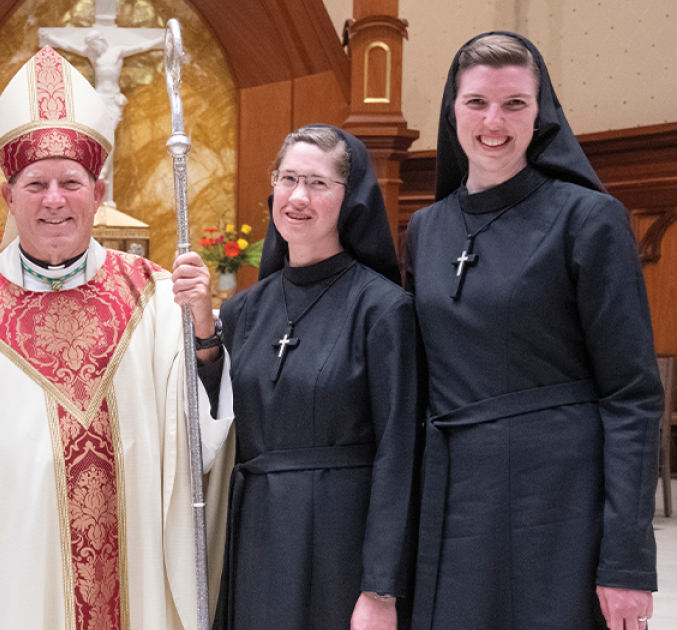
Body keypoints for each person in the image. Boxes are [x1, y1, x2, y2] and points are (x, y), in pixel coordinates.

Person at [0, 46, 235, 630]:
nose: (54, 199)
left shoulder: (151, 294)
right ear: (8, 196)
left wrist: (200, 328)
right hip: (0, 566)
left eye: (71, 182)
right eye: (37, 183)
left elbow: (195, 432)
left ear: (98, 195)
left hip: (132, 562)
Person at [405, 32, 662, 630]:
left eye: (515, 103)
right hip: (455, 496)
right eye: (476, 103)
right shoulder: (425, 228)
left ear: (541, 114)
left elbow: (632, 396)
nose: (494, 121)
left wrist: (626, 560)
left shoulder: (588, 218)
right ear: (452, 111)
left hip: (558, 502)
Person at [208, 125, 420, 630]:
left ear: (351, 198)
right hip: (256, 534)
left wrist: (381, 586)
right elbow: (220, 425)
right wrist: (201, 341)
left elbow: (401, 454)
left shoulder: (385, 309)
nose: (299, 197)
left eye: (319, 184)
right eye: (289, 179)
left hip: (339, 543)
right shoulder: (243, 312)